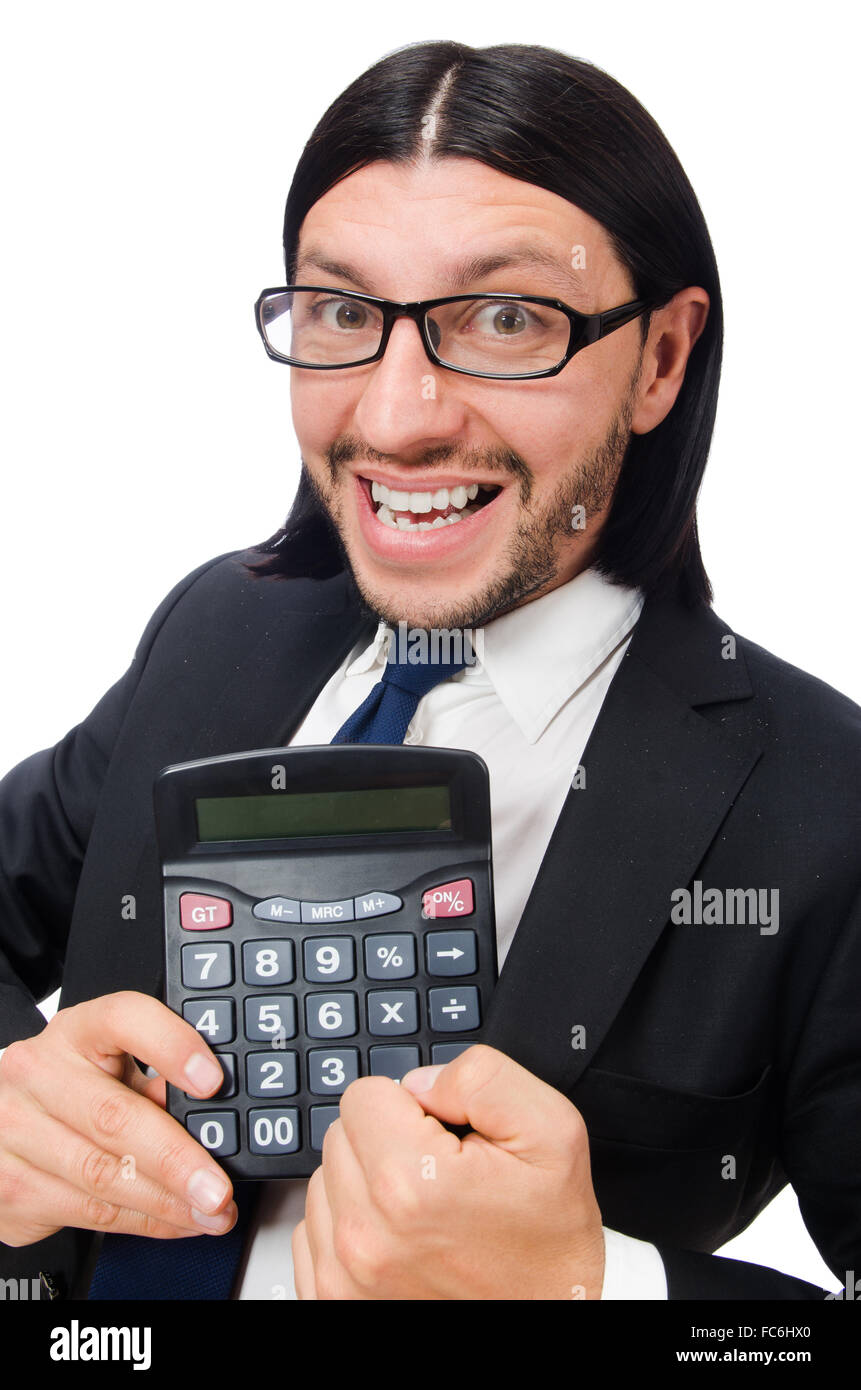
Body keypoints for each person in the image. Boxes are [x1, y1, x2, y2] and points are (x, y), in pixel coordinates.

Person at [0, 39, 858, 1302]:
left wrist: (591, 1285)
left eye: (506, 318)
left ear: (662, 361)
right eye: (346, 313)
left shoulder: (822, 801)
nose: (397, 420)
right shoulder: (219, 628)